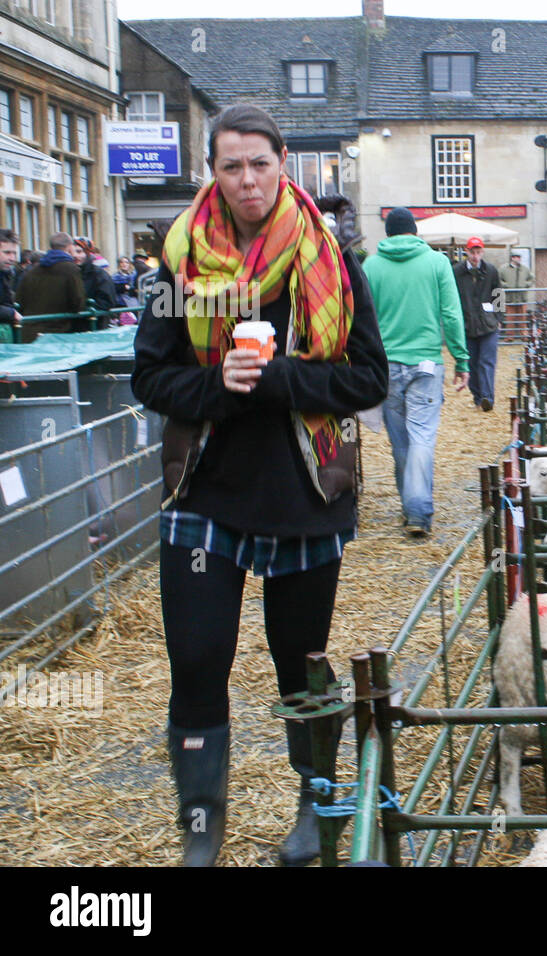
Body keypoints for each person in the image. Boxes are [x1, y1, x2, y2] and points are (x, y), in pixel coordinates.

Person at [130, 103, 388, 867]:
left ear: (284, 165)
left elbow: (367, 378)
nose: (247, 180)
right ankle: (201, 831)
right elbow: (150, 377)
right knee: (198, 658)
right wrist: (219, 386)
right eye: (230, 165)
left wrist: (276, 379)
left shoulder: (333, 259)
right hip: (205, 493)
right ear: (213, 172)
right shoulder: (174, 265)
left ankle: (316, 805)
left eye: (260, 164)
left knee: (298, 661)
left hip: (306, 494)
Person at [363, 207, 469, 536]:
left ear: (388, 233)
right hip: (426, 363)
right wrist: (461, 360)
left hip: (386, 366)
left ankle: (410, 506)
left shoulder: (370, 266)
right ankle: (419, 511)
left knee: (401, 444)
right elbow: (451, 314)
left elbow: (361, 319)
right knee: (423, 437)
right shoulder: (437, 263)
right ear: (415, 231)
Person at [453, 236, 503, 412]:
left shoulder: (490, 270)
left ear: (482, 252)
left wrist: (499, 318)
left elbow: (498, 293)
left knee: (486, 362)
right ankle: (478, 397)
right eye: (472, 252)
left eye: (478, 252)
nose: (475, 256)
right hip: (466, 325)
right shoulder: (457, 271)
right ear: (466, 252)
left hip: (488, 324)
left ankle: (487, 398)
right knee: (472, 363)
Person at [15, 231, 85, 341]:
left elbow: (19, 301)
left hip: (29, 331)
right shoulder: (71, 269)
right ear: (70, 247)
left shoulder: (32, 271)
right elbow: (77, 302)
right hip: (57, 332)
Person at [71, 238, 117, 328]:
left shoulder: (99, 275)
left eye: (79, 252)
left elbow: (107, 301)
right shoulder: (70, 273)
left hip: (94, 325)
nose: (75, 255)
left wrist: (84, 309)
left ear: (87, 253)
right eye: (72, 252)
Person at [0, 229, 22, 341]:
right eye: (7, 252)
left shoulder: (6, 273)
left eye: (14, 253)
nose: (12, 258)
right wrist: (11, 313)